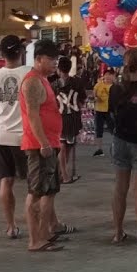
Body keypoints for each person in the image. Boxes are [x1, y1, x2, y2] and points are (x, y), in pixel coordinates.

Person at [21, 40, 70, 253]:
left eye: (56, 60)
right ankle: (35, 240)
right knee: (37, 192)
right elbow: (33, 116)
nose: (54, 64)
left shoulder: (42, 79)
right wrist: (43, 143)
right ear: (39, 59)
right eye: (51, 60)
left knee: (49, 191)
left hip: (50, 143)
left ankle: (46, 233)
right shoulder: (32, 82)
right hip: (39, 145)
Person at [109, 49, 137, 245]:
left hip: (119, 140)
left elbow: (110, 114)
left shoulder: (115, 88)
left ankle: (118, 232)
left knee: (120, 187)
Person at [0, 35, 32, 239]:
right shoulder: (28, 73)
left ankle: (10, 226)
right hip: (23, 135)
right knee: (35, 184)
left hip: (1, 134)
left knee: (6, 181)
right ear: (21, 52)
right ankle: (44, 226)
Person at [54, 56, 86, 184]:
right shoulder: (77, 82)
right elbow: (82, 100)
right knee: (67, 146)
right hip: (73, 118)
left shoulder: (54, 84)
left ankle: (62, 173)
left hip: (59, 117)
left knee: (62, 146)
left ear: (58, 69)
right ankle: (64, 174)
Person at [92, 70, 115, 157]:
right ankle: (99, 149)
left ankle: (115, 147)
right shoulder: (99, 84)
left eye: (111, 75)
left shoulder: (114, 86)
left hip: (110, 110)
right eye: (107, 75)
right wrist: (96, 98)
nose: (109, 77)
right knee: (99, 130)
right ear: (104, 75)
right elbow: (94, 94)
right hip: (99, 110)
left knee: (113, 129)